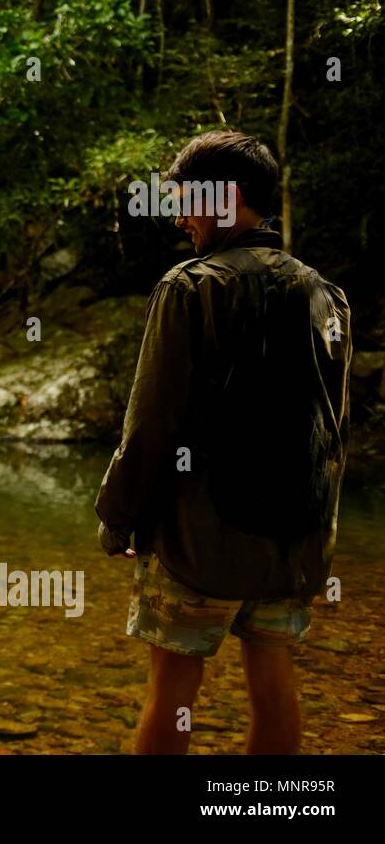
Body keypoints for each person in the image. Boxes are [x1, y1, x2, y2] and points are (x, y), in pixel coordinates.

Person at [96, 130, 352, 754]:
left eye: (184, 199)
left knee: (173, 688)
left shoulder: (191, 287)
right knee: (273, 680)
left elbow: (151, 423)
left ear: (224, 197)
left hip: (199, 541)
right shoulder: (326, 294)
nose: (179, 216)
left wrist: (118, 516)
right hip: (292, 539)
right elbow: (334, 427)